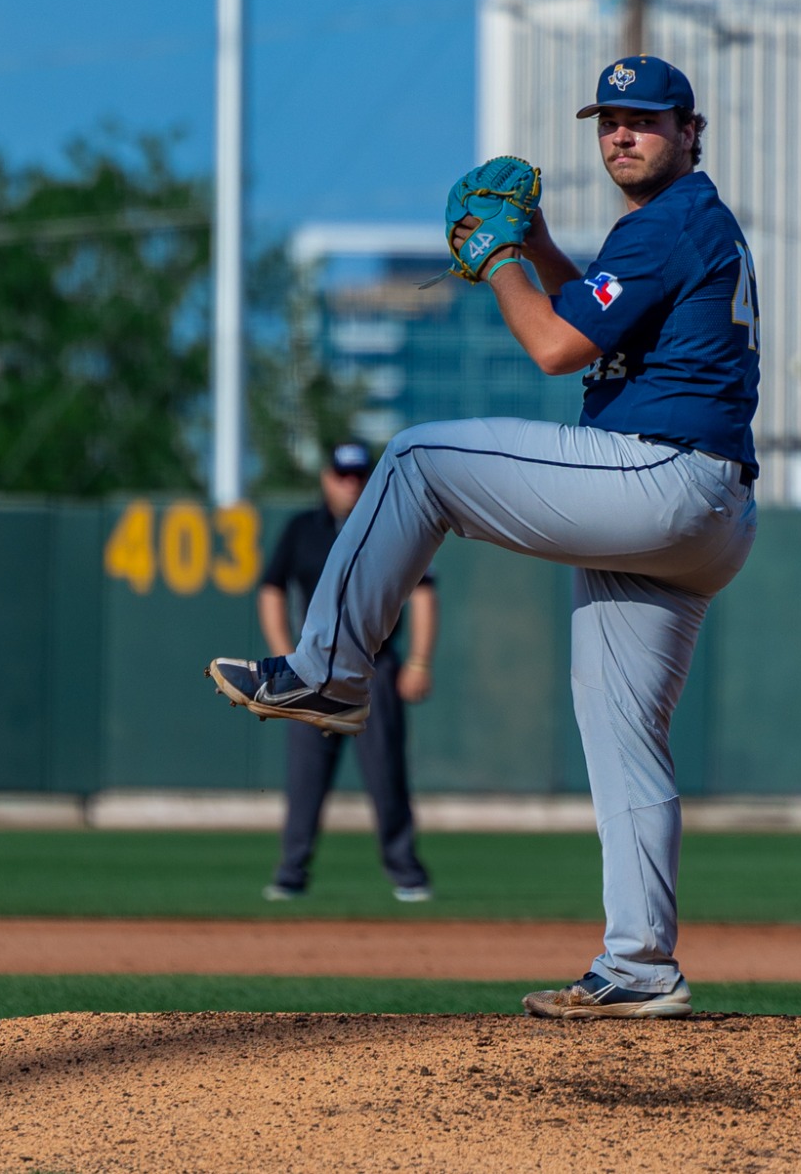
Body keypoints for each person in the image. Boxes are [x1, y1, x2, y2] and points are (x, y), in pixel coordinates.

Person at [207, 54, 759, 1019]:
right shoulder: (678, 229)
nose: (622, 134)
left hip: (663, 474)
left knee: (418, 460)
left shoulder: (673, 221)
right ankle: (639, 965)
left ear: (690, 130)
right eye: (610, 120)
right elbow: (599, 318)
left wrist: (500, 261)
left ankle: (330, 669)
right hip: (706, 512)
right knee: (623, 733)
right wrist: (540, 248)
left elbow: (554, 348)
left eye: (645, 120)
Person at [255, 441, 437, 904]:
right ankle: (291, 872)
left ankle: (406, 872)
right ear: (326, 478)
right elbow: (271, 590)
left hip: (375, 668)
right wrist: (285, 659)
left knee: (386, 773)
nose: (351, 484)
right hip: (312, 670)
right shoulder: (303, 528)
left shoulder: (387, 527)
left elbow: (422, 593)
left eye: (359, 476)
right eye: (343, 475)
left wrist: (418, 660)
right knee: (305, 778)